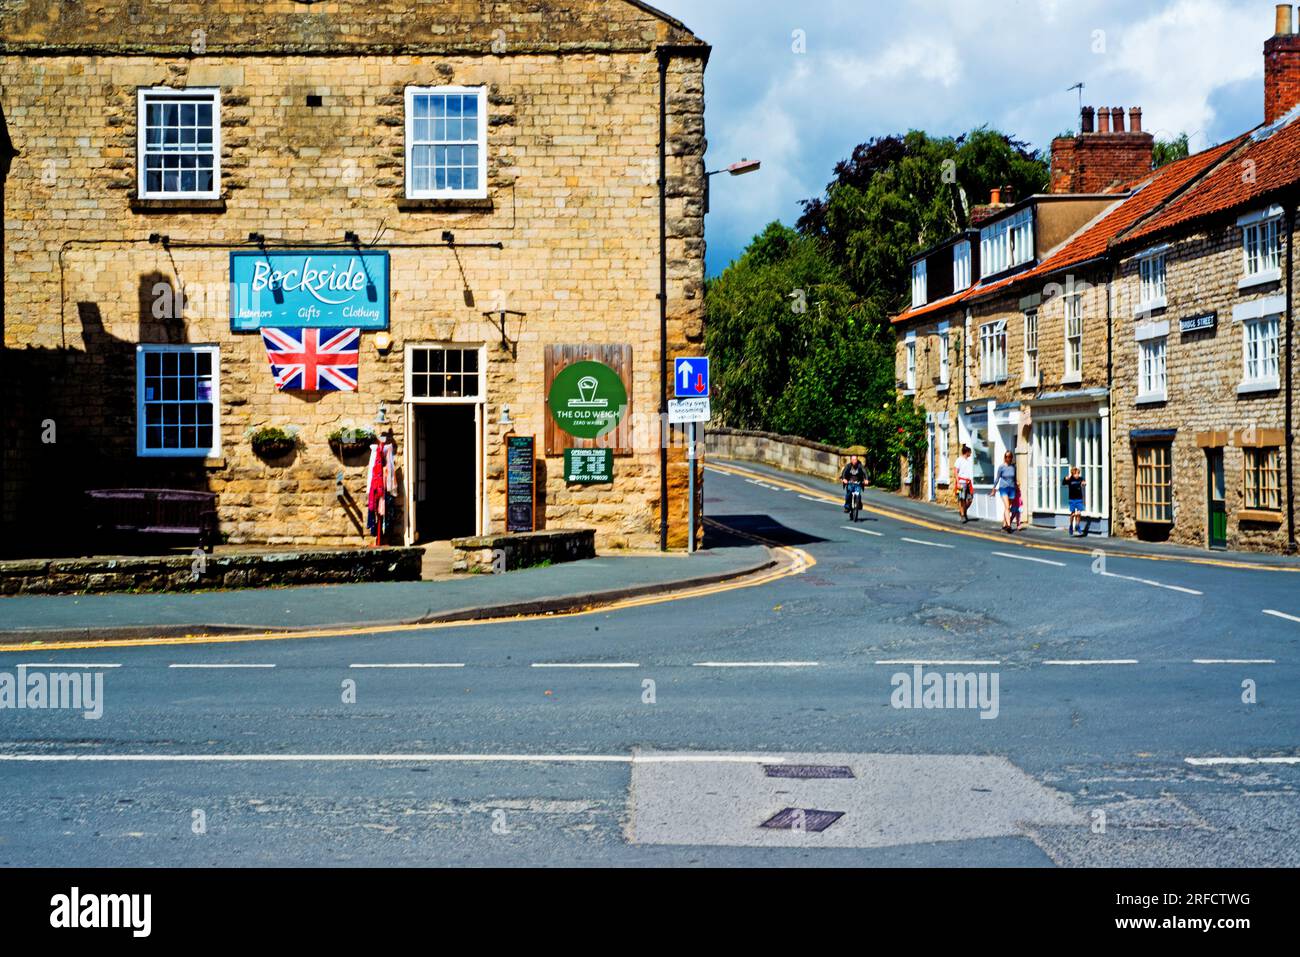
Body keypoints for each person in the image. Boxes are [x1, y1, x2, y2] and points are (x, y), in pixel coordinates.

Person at [990, 450, 1017, 533]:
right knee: (1007, 507)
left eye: (1009, 457)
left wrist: (1017, 485)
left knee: (1007, 508)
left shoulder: (1013, 467)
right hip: (1003, 488)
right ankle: (1009, 525)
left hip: (1012, 489)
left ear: (1011, 458)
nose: (1008, 458)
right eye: (1006, 457)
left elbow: (1014, 478)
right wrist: (994, 488)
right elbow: (997, 478)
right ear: (1004, 457)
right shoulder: (1001, 467)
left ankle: (1004, 525)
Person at [1062, 466, 1087, 537]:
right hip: (1072, 499)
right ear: (1073, 474)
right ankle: (1070, 526)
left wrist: (1084, 483)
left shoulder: (1080, 478)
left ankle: (1077, 525)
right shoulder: (1070, 479)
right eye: (1076, 474)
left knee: (1079, 513)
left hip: (1079, 498)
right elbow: (1063, 483)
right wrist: (1065, 479)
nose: (1077, 475)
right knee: (1072, 513)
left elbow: (1083, 483)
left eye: (1078, 474)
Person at [953, 445, 975, 523]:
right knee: (961, 499)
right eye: (970, 452)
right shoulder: (959, 460)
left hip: (968, 482)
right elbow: (955, 471)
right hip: (961, 482)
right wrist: (958, 482)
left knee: (970, 499)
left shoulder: (968, 461)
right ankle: (963, 515)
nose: (971, 454)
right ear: (967, 452)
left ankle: (963, 511)